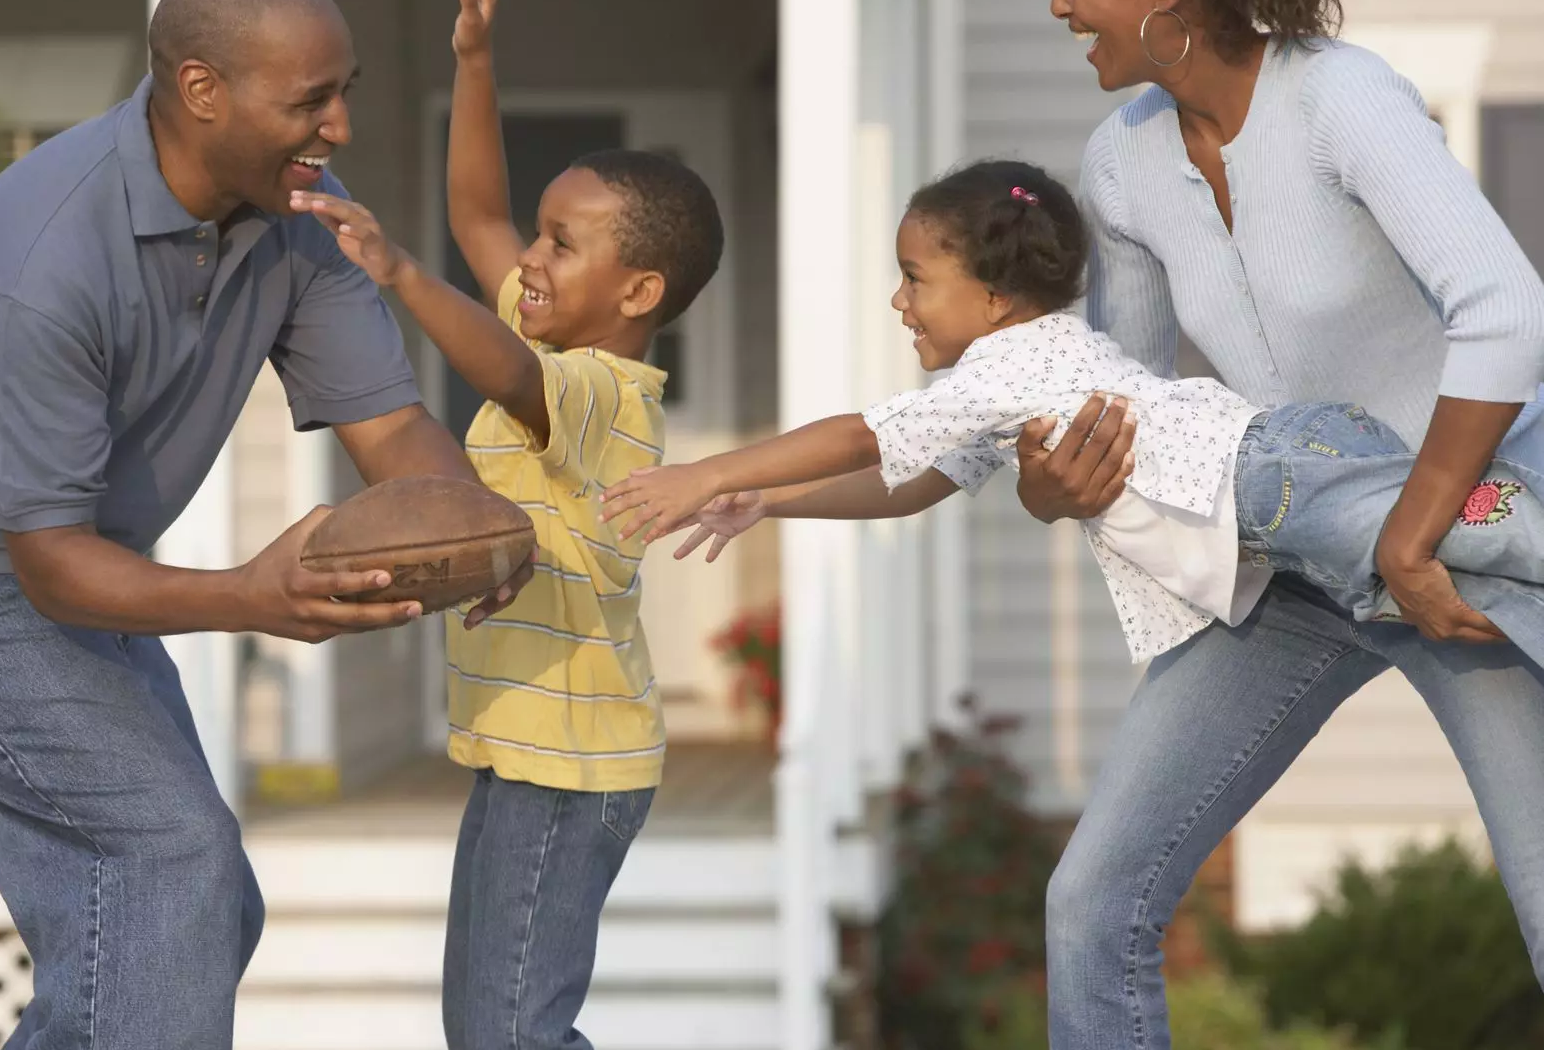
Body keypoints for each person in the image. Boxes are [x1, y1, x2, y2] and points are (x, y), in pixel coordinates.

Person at [846, 0, 1544, 1050]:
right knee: (1092, 900)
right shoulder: (1120, 167)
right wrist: (1063, 491)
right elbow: (1121, 389)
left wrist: (1414, 528)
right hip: (1286, 560)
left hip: (1461, 545)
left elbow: (1506, 309)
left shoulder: (1342, 99)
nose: (1061, 6)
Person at [0, 0, 531, 1050]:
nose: (337, 123)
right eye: (308, 100)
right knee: (169, 863)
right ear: (201, 91)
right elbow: (44, 567)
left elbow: (392, 436)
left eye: (344, 89)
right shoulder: (44, 258)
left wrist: (466, 525)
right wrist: (253, 596)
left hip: (76, 560)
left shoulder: (299, 223)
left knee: (191, 910)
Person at [293, 0, 725, 1050]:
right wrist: (475, 65)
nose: (528, 257)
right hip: (527, 754)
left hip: (571, 765)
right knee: (489, 1030)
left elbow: (507, 371)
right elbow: (479, 212)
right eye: (542, 234)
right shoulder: (552, 316)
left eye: (562, 244)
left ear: (637, 292)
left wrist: (393, 273)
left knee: (515, 1040)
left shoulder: (603, 390)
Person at [603, 159, 1544, 676]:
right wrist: (771, 507)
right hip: (1280, 486)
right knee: (1484, 586)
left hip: (1266, 476)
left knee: (1483, 540)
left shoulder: (1004, 365)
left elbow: (861, 433)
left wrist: (711, 471)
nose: (899, 302)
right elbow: (907, 485)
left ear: (998, 294)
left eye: (916, 280)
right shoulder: (1013, 382)